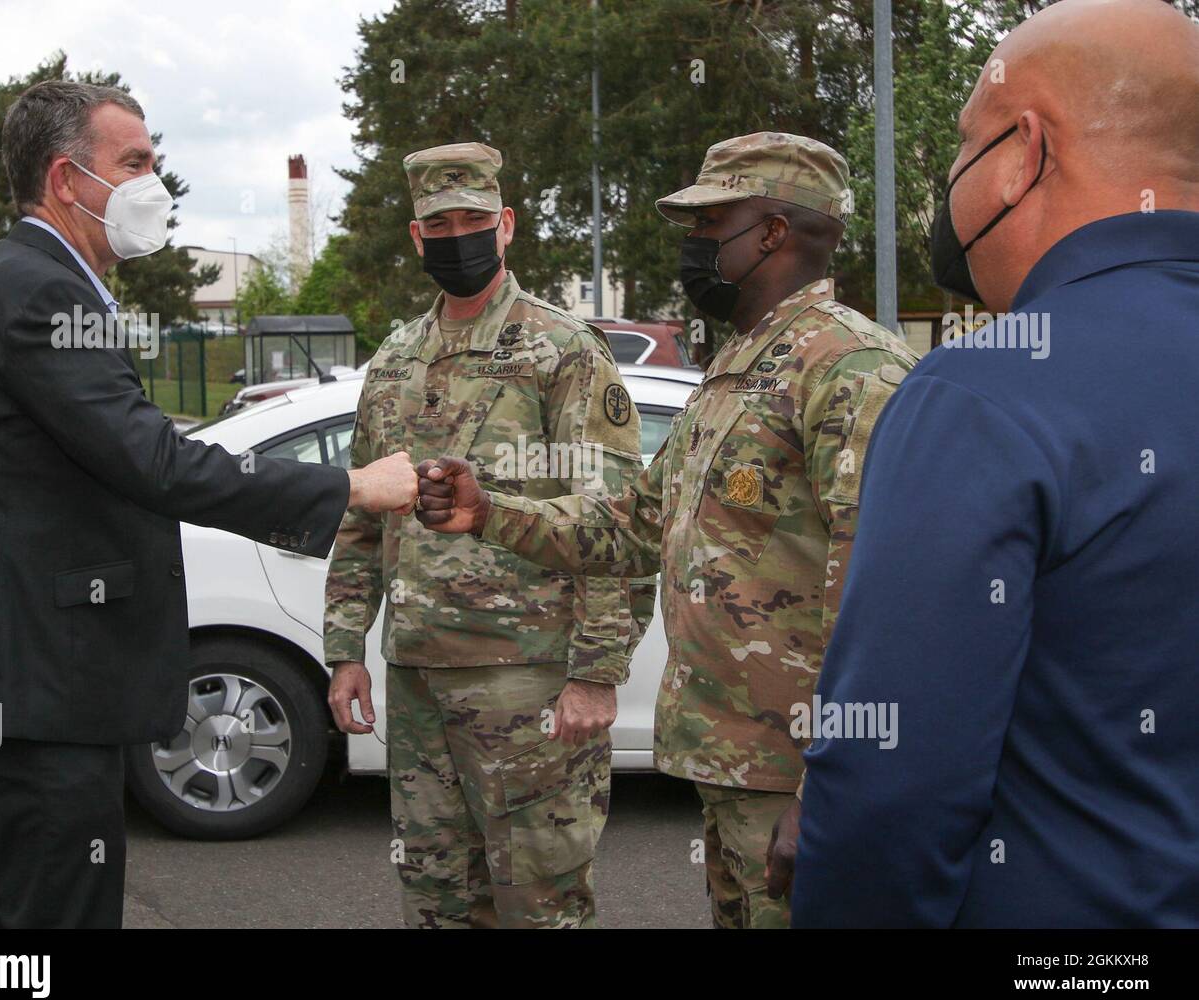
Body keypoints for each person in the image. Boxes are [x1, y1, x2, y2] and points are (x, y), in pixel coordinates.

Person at [0, 80, 417, 929]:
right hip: (37, 685)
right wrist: (350, 485)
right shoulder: (39, 291)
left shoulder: (38, 282)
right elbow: (154, 461)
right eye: (134, 163)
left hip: (39, 680)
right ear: (68, 180)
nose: (155, 185)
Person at [414, 133, 918, 927]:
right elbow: (632, 527)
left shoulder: (850, 368)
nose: (693, 245)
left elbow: (884, 603)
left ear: (773, 233)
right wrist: (488, 512)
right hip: (736, 770)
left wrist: (832, 789)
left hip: (801, 779)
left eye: (709, 223)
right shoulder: (740, 367)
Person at [792, 0, 1199, 927]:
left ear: (1023, 153)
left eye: (963, 147)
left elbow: (893, 789)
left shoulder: (986, 396)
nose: (951, 185)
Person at [324, 142, 651, 928]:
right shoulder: (395, 360)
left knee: (540, 900)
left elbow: (614, 521)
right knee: (436, 900)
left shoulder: (562, 350)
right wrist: (344, 649)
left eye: (474, 219)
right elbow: (360, 514)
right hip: (418, 681)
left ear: (505, 226)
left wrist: (598, 672)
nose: (458, 236)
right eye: (441, 225)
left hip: (527, 681)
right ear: (417, 237)